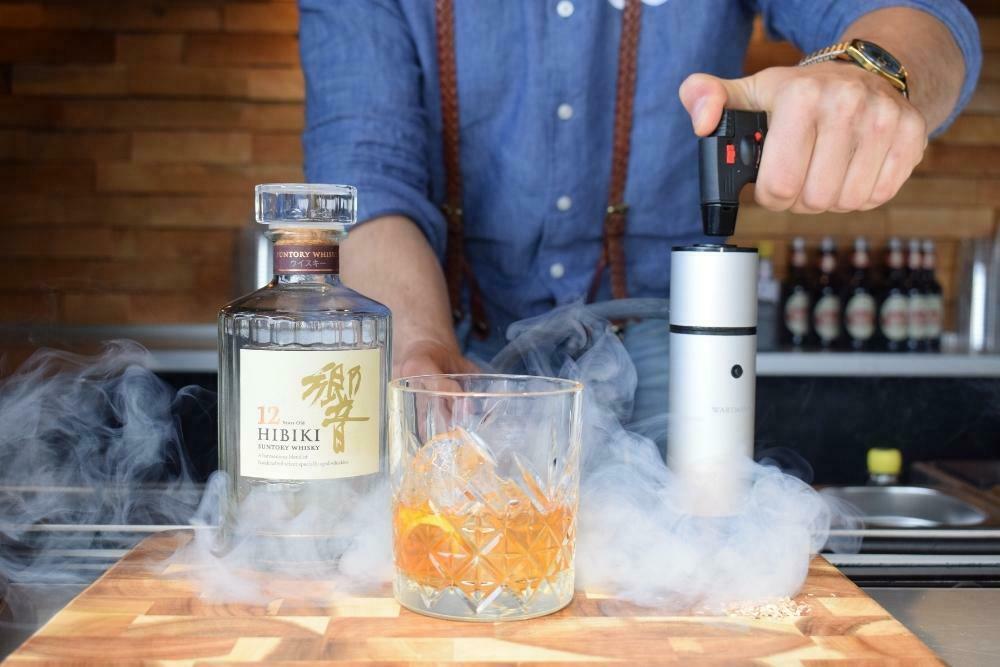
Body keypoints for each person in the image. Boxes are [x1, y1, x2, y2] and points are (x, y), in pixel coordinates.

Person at [299, 0, 981, 421]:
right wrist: (420, 346)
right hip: (453, 361)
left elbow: (929, 20)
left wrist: (869, 74)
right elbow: (367, 181)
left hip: (663, 365)